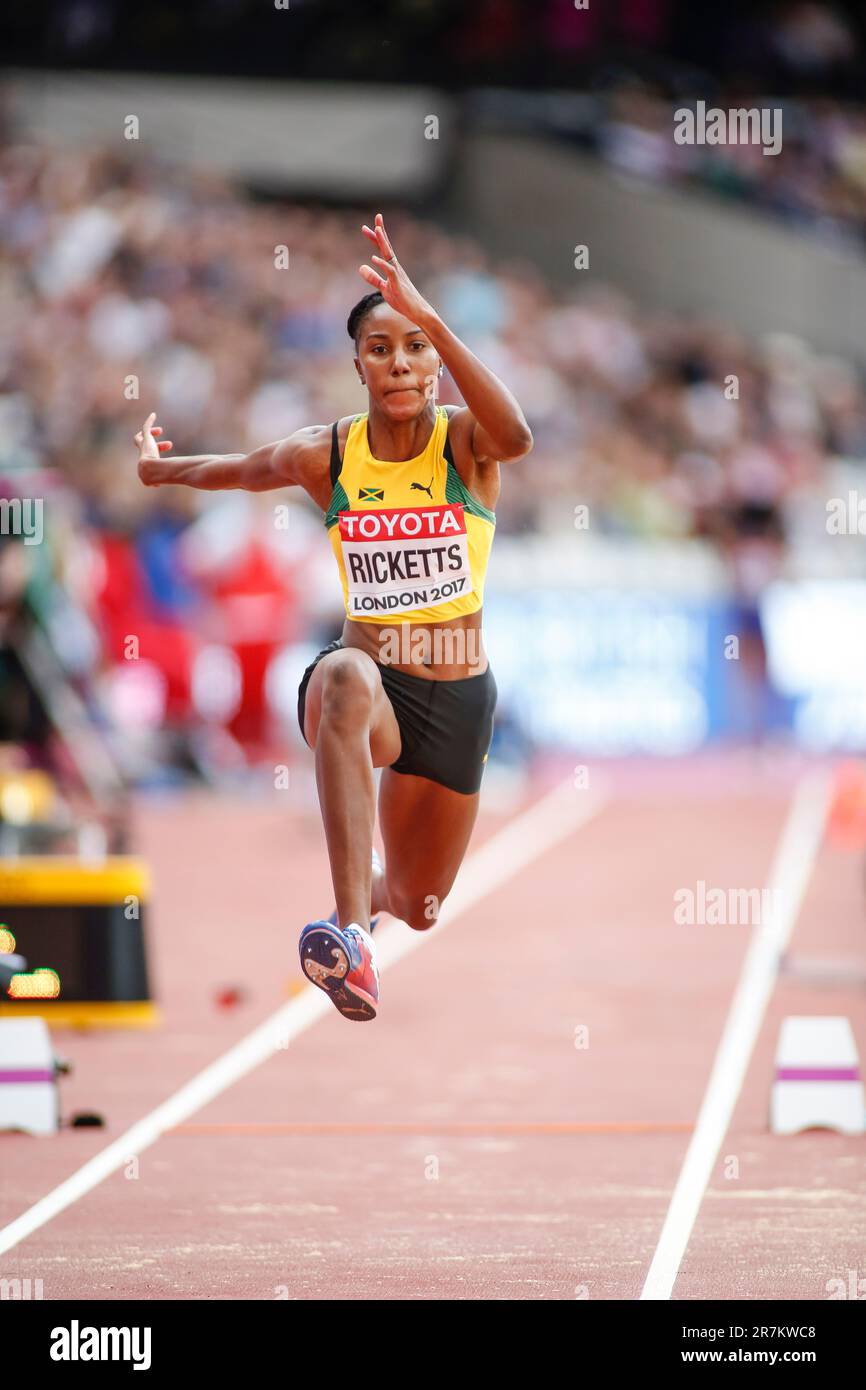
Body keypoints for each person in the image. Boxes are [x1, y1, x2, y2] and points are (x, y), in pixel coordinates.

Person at [135, 213, 532, 1021]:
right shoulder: (330, 454)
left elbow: (518, 436)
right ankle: (351, 935)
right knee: (344, 675)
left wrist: (436, 320)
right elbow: (239, 470)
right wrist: (157, 469)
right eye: (380, 348)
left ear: (433, 362)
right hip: (373, 685)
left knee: (420, 904)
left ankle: (380, 909)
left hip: (457, 699)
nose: (399, 362)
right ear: (357, 363)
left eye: (414, 346)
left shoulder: (464, 446)